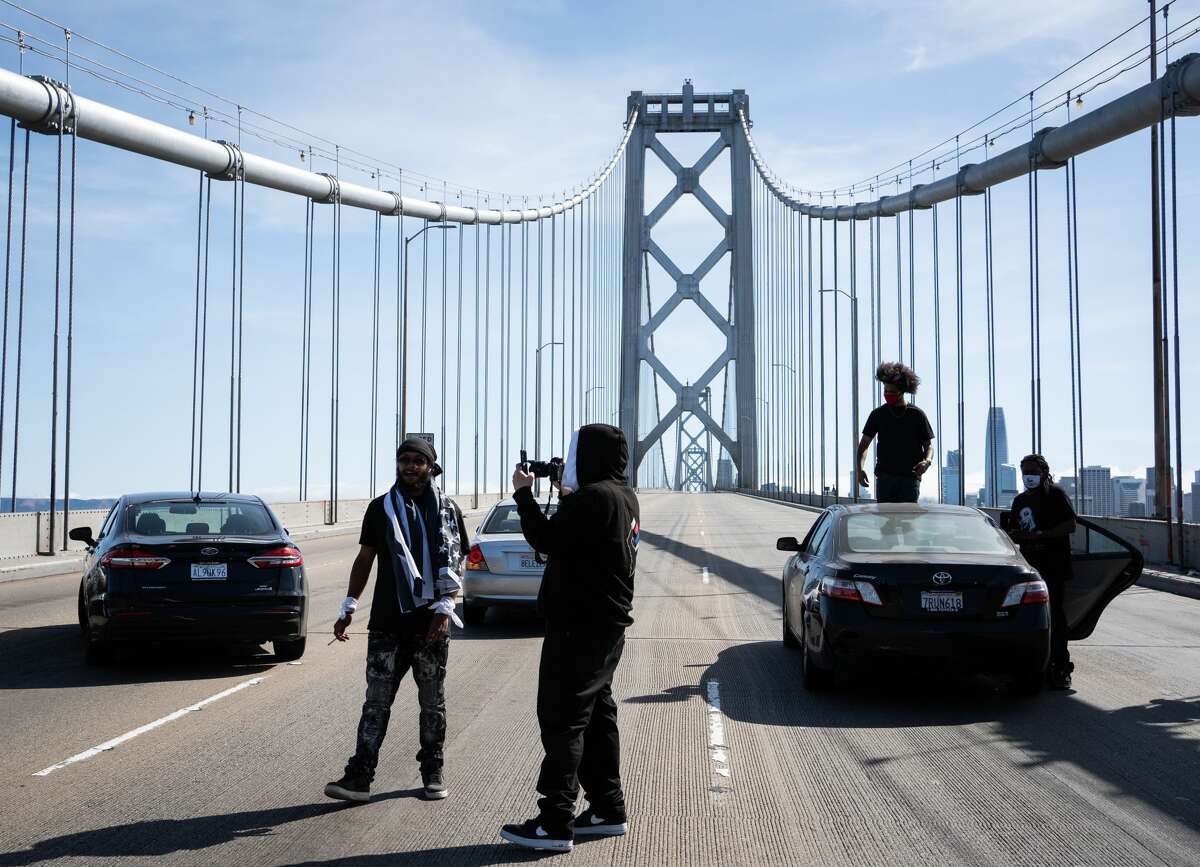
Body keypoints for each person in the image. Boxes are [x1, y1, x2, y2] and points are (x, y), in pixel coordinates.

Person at [499, 424, 640, 854]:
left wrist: (524, 494)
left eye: (576, 452)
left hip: (577, 627)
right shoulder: (623, 496)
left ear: (589, 455)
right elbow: (579, 542)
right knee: (596, 717)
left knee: (562, 718)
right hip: (607, 627)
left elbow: (546, 539)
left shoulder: (592, 499)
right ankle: (607, 809)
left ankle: (554, 822)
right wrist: (566, 494)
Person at [324, 438, 468, 803]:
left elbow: (457, 562)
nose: (410, 466)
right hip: (387, 623)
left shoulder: (448, 510)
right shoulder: (381, 509)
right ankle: (359, 777)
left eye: (418, 460)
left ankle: (432, 773)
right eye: (404, 459)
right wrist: (348, 605)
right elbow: (365, 559)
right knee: (375, 703)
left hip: (431, 624)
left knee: (432, 704)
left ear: (431, 466)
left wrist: (445, 607)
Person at [1007, 454, 1077, 690]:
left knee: (1054, 616)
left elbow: (1070, 525)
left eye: (1033, 472)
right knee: (1026, 617)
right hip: (1030, 567)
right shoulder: (1019, 501)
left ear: (1044, 472)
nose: (1029, 476)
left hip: (1054, 565)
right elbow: (1014, 530)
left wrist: (1041, 535)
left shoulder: (1056, 495)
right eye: (1025, 472)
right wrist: (1017, 536)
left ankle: (1060, 667)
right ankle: (1031, 665)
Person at [856, 362, 934, 503]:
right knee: (884, 517)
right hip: (885, 478)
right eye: (885, 391)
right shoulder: (877, 415)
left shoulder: (917, 415)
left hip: (910, 479)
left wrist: (927, 461)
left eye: (892, 392)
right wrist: (860, 469)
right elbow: (864, 445)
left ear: (902, 392)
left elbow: (928, 445)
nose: (887, 394)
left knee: (908, 517)